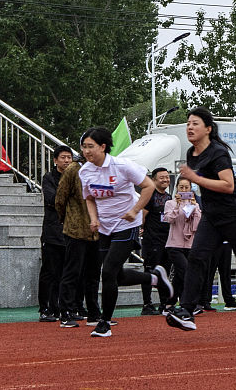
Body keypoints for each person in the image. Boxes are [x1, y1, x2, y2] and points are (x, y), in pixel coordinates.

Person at [165, 106, 236, 331]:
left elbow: (228, 185)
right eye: (188, 124)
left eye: (195, 123)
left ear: (208, 128)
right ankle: (186, 311)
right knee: (196, 258)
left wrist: (195, 178)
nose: (189, 127)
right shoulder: (191, 154)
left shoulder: (218, 152)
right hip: (212, 217)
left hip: (235, 217)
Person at [77, 128, 173, 338]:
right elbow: (89, 198)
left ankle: (104, 323)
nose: (86, 151)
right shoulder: (84, 172)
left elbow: (148, 186)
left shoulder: (122, 166)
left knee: (108, 272)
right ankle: (154, 278)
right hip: (104, 227)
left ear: (103, 147)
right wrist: (93, 218)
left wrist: (135, 210)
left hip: (126, 225)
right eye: (84, 147)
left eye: (90, 146)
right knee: (116, 275)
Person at [54, 155, 100, 328]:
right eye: (86, 146)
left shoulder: (102, 168)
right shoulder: (73, 169)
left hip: (97, 231)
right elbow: (60, 198)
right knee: (72, 272)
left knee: (94, 274)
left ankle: (94, 313)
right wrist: (66, 219)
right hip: (76, 229)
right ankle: (65, 312)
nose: (90, 151)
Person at [38, 145, 73, 322]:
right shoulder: (49, 178)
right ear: (55, 160)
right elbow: (53, 199)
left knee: (69, 272)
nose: (66, 160)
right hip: (52, 232)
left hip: (71, 231)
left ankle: (66, 308)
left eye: (69, 157)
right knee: (50, 272)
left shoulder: (76, 177)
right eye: (63, 157)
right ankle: (46, 309)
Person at [161, 176, 202, 308]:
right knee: (185, 272)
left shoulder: (194, 204)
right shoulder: (170, 203)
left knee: (179, 276)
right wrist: (178, 206)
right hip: (174, 244)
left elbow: (197, 224)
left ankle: (169, 303)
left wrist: (194, 207)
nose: (184, 190)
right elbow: (169, 219)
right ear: (177, 188)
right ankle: (188, 303)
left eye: (186, 188)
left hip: (190, 244)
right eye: (181, 187)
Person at [139, 167, 173, 315]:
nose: (165, 180)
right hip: (152, 241)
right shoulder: (149, 195)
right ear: (153, 180)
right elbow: (142, 216)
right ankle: (147, 304)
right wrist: (142, 229)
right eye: (162, 177)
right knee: (149, 271)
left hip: (167, 241)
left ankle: (164, 303)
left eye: (167, 177)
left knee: (164, 272)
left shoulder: (170, 197)